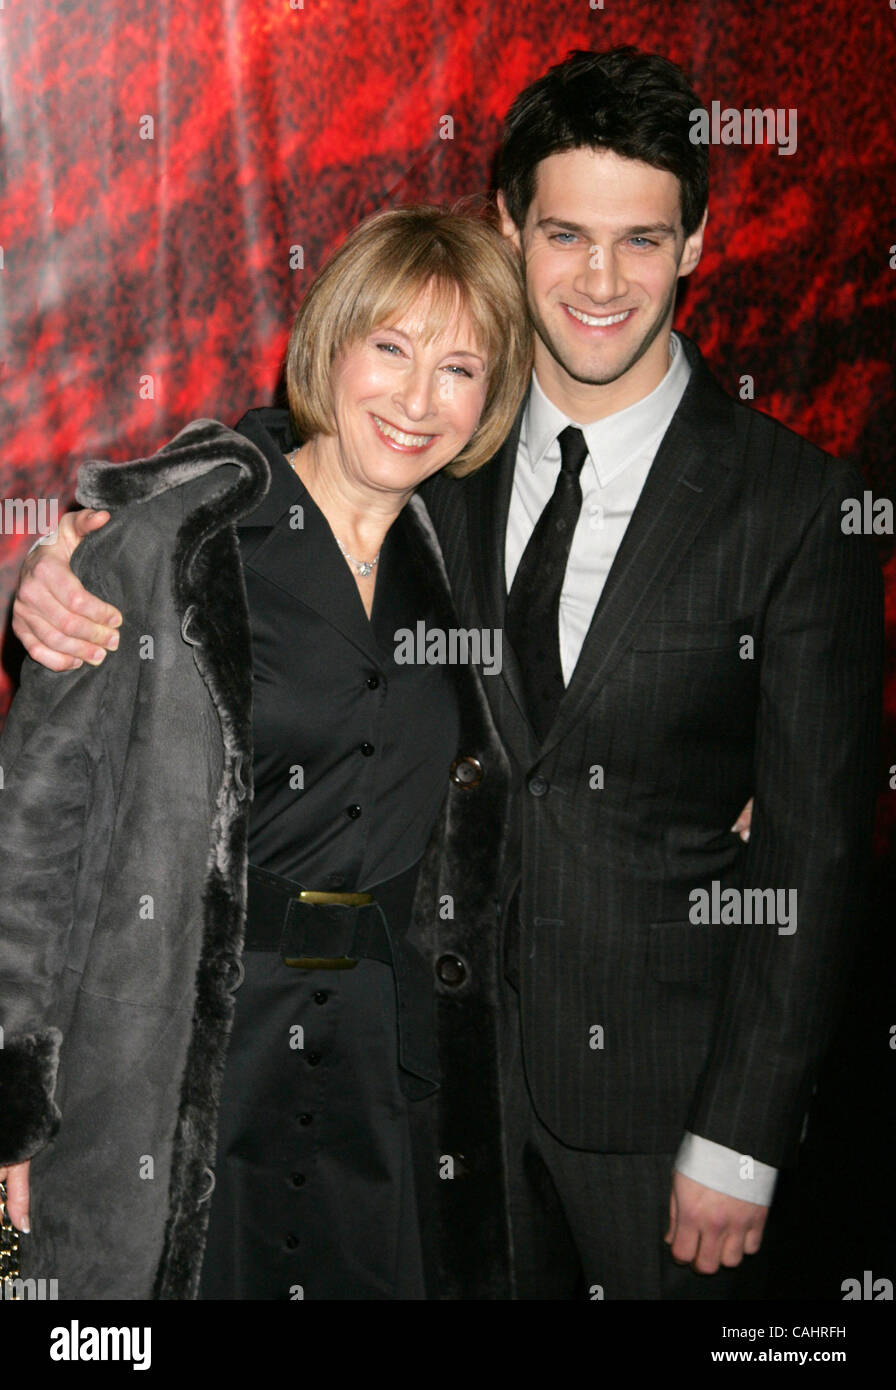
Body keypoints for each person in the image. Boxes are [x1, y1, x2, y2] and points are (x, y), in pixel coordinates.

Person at [11, 46, 882, 1301]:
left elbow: (815, 853)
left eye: (640, 240)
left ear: (695, 243)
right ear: (510, 229)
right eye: (565, 233)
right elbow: (269, 477)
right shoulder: (443, 479)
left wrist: (741, 1136)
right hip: (419, 1085)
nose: (599, 280)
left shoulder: (798, 505)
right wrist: (70, 557)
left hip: (656, 1114)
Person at [0, 204, 531, 1299]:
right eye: (389, 346)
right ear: (331, 343)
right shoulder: (174, 542)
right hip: (185, 1053)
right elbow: (35, 834)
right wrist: (12, 1106)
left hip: (381, 1065)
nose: (417, 397)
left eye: (459, 367)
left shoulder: (465, 553)